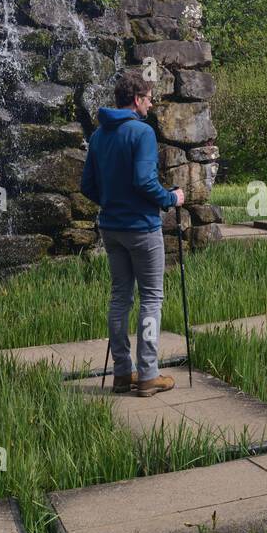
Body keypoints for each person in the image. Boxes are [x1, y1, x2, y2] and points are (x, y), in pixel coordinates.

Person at [80, 79, 184, 396]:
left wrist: (112, 202)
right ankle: (149, 376)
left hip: (111, 228)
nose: (151, 104)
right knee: (151, 300)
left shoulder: (99, 135)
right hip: (141, 228)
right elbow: (143, 181)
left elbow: (87, 186)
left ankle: (122, 374)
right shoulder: (141, 132)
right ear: (137, 99)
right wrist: (171, 198)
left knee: (119, 299)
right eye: (149, 99)